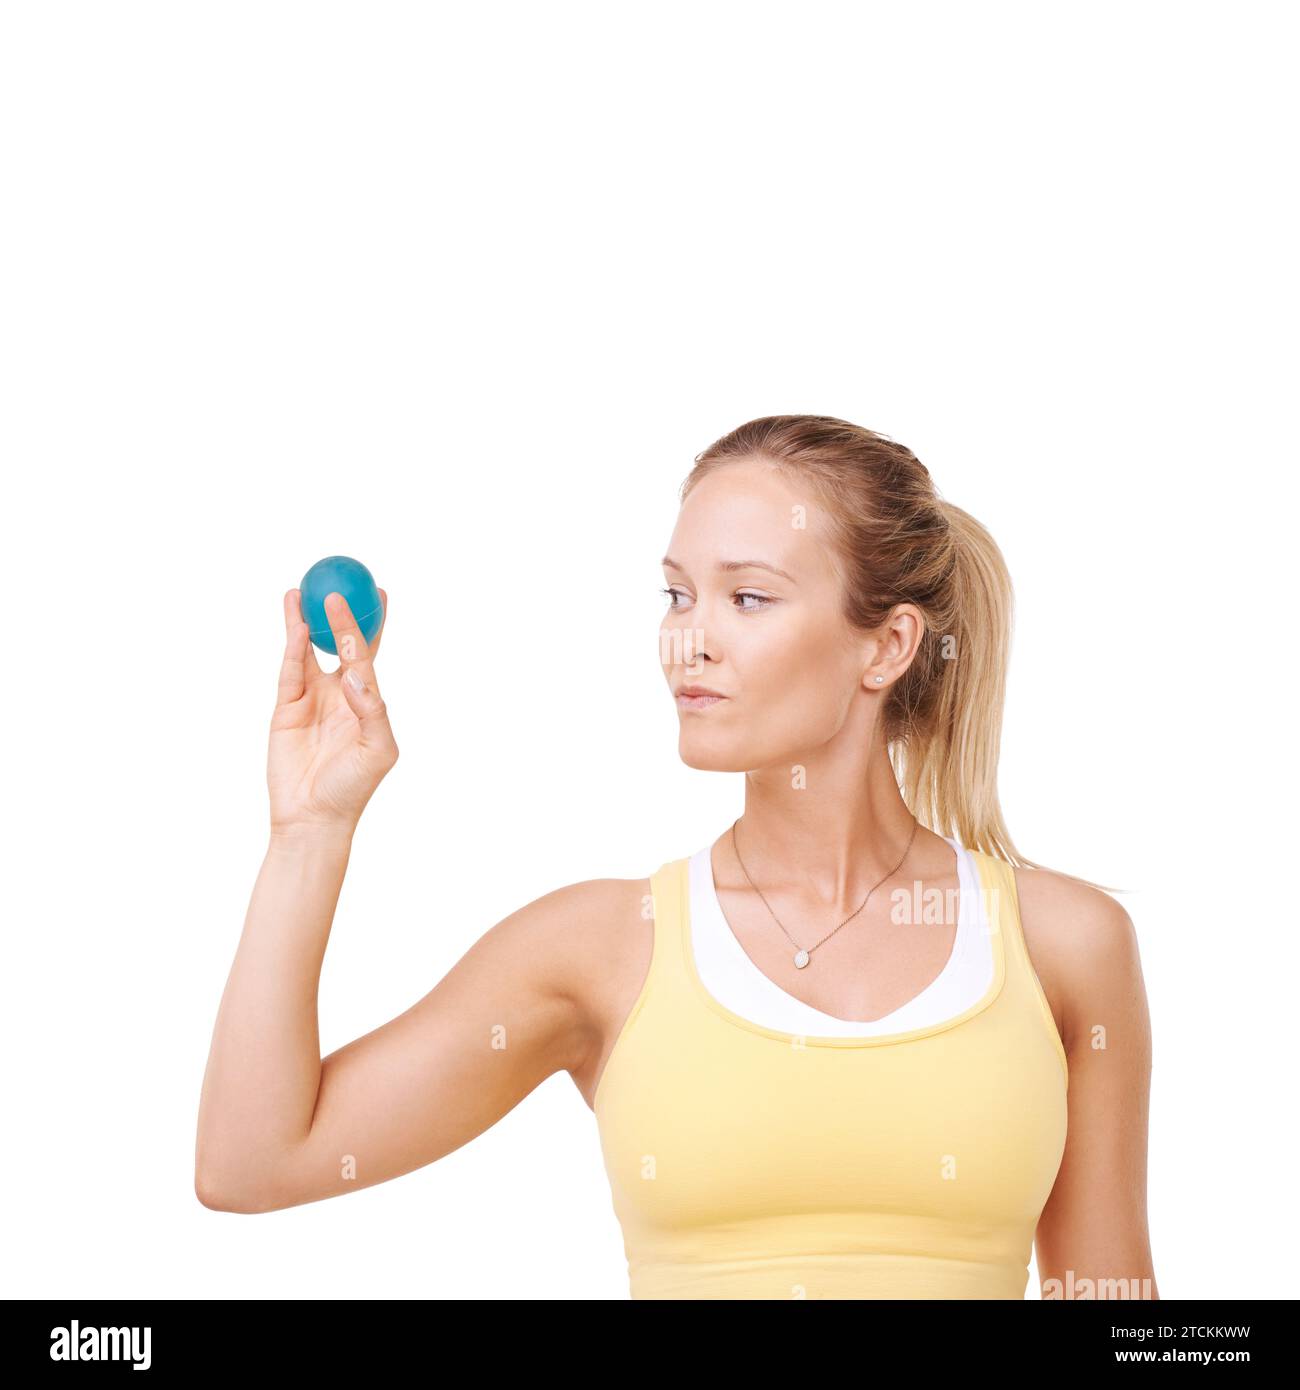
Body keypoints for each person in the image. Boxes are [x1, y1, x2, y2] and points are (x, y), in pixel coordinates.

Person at [195, 414, 1157, 1301]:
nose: (686, 640)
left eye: (747, 597)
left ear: (888, 645)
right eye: (677, 594)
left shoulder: (1064, 944)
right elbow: (253, 1163)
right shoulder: (599, 947)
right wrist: (307, 833)